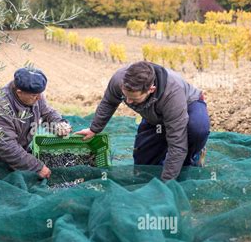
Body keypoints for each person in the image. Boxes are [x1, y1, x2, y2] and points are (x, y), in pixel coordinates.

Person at [76, 61, 210, 181]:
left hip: (189, 105)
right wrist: (94, 129)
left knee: (196, 130)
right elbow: (108, 103)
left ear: (151, 89)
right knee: (144, 167)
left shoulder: (172, 94)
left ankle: (193, 157)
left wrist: (166, 183)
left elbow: (177, 144)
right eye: (125, 97)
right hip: (154, 115)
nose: (128, 102)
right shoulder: (119, 79)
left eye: (133, 98)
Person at [0, 67, 71, 179]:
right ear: (19, 93)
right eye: (35, 96)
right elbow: (7, 146)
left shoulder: (34, 94)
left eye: (40, 93)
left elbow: (47, 112)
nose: (39, 98)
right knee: (5, 183)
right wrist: (37, 167)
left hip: (19, 145)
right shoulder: (0, 107)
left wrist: (58, 123)